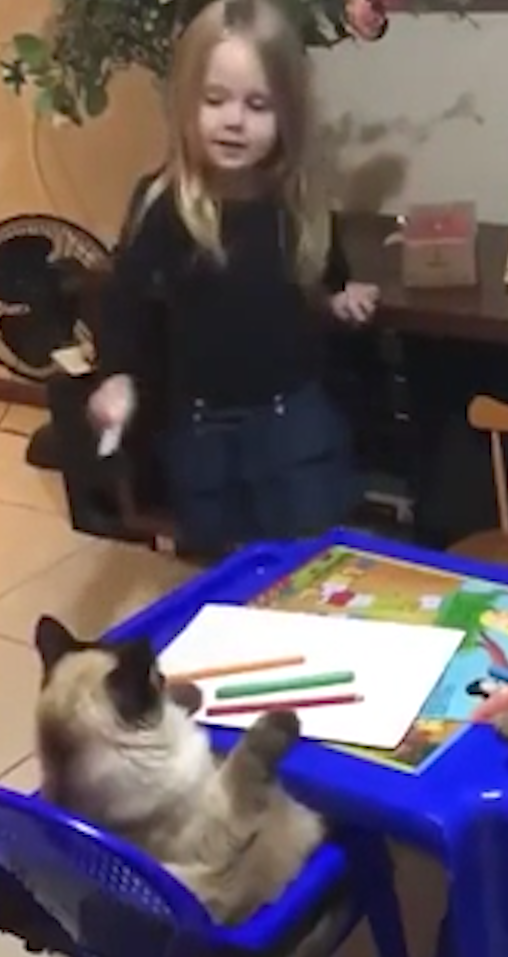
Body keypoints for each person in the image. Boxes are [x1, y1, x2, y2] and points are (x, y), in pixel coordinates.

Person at [86, 0, 380, 561]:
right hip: (203, 431)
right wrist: (117, 375)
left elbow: (320, 269)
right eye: (214, 100)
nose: (233, 120)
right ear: (186, 103)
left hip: (293, 422)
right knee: (224, 572)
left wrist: (341, 298)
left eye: (257, 104)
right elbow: (124, 299)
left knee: (310, 567)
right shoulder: (164, 204)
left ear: (287, 113)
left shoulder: (299, 200)